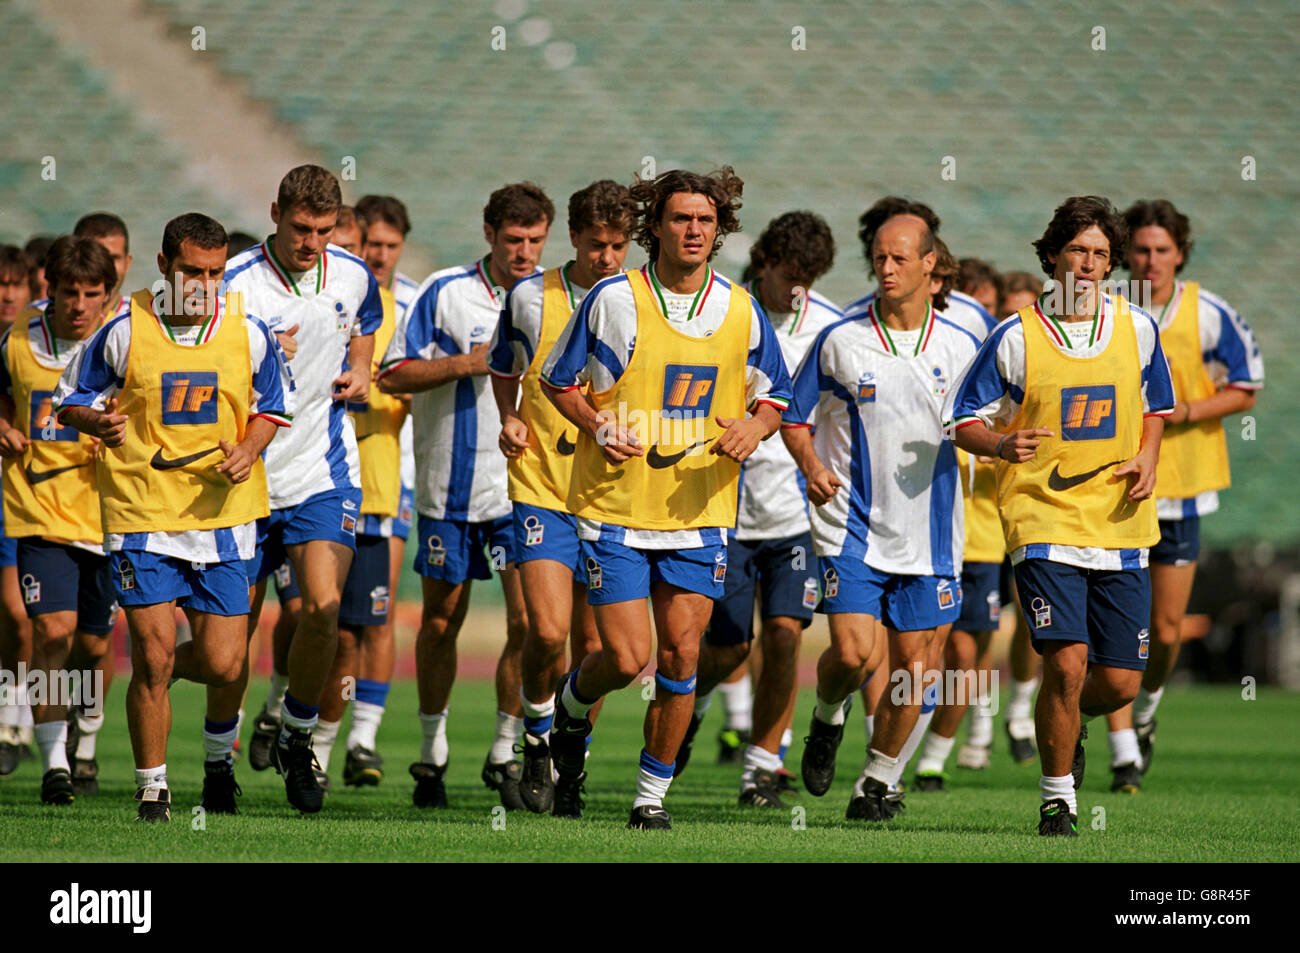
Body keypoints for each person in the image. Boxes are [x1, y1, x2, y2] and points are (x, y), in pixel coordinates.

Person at [540, 166, 793, 829]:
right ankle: (568, 714)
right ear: (655, 226)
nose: (694, 229)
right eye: (681, 218)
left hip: (700, 511)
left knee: (681, 656)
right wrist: (597, 423)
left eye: (705, 220)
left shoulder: (740, 309)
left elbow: (778, 397)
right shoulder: (614, 299)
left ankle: (649, 798)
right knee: (625, 658)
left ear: (720, 229)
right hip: (616, 505)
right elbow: (557, 381)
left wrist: (754, 425)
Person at [945, 195, 1175, 836]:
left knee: (1121, 685)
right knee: (1068, 665)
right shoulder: (1015, 336)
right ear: (1052, 257)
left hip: (1122, 523)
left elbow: (1157, 404)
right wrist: (997, 443)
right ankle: (1057, 800)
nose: (1090, 263)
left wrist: (1150, 456)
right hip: (1042, 521)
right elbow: (959, 419)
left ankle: (1065, 726)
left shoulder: (1137, 328)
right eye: (1078, 250)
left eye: (1102, 253)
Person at [55, 212, 293, 821]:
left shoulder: (248, 330)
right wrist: (95, 421)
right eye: (191, 271)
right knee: (154, 653)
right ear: (165, 266)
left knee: (223, 663)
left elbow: (273, 405)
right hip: (142, 514)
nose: (203, 284)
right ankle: (153, 789)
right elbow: (69, 399)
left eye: (214, 273)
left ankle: (157, 687)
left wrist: (249, 448)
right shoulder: (123, 328)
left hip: (223, 518)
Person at [782, 210, 978, 822]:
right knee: (853, 653)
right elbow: (792, 416)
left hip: (933, 535)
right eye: (879, 258)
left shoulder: (963, 346)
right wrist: (812, 464)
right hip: (852, 525)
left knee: (916, 672)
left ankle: (876, 781)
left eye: (899, 258)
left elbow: (994, 417)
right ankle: (827, 714)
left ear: (931, 266)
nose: (885, 268)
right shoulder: (841, 339)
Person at [377, 182, 552, 810]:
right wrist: (465, 363)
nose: (525, 251)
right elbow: (392, 373)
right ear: (490, 234)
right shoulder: (446, 291)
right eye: (514, 239)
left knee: (530, 622)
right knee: (441, 622)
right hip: (447, 491)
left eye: (535, 239)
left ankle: (506, 749)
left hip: (521, 493)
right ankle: (432, 750)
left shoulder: (555, 298)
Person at [222, 164, 381, 814]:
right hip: (246, 476)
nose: (311, 241)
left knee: (322, 607)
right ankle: (217, 757)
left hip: (323, 471)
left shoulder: (351, 272)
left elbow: (365, 322)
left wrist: (363, 369)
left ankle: (297, 734)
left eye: (321, 229)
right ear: (274, 213)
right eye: (299, 228)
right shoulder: (233, 283)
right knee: (230, 641)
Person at [674, 210, 841, 808]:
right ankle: (688, 710)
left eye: (811, 279)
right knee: (724, 648)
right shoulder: (727, 315)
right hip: (725, 510)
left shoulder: (829, 329)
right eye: (790, 276)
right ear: (764, 262)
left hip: (795, 518)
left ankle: (763, 767)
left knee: (786, 635)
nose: (799, 291)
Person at [1102, 199, 1263, 792]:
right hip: (1117, 489)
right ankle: (1121, 753)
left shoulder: (1208, 312)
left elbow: (1246, 385)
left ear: (1179, 254)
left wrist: (1186, 409)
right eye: (1140, 249)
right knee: (1114, 626)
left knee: (1165, 630)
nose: (1149, 261)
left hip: (1183, 489)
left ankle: (1144, 715)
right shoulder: (1107, 311)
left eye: (1160, 250)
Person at [489, 179, 634, 815]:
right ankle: (537, 739)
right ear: (571, 237)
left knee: (598, 649)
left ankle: (571, 760)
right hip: (543, 484)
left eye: (620, 245)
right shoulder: (529, 297)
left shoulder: (639, 302)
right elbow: (503, 365)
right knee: (545, 634)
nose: (608, 257)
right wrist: (509, 415)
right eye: (597, 244)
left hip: (615, 495)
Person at [0, 237, 120, 803]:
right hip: (38, 510)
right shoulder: (18, 338)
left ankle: (85, 736)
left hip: (110, 515)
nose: (78, 304)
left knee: (94, 649)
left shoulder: (126, 340)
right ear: (49, 288)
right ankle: (54, 766)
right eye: (68, 291)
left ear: (108, 294)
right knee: (52, 631)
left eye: (90, 293)